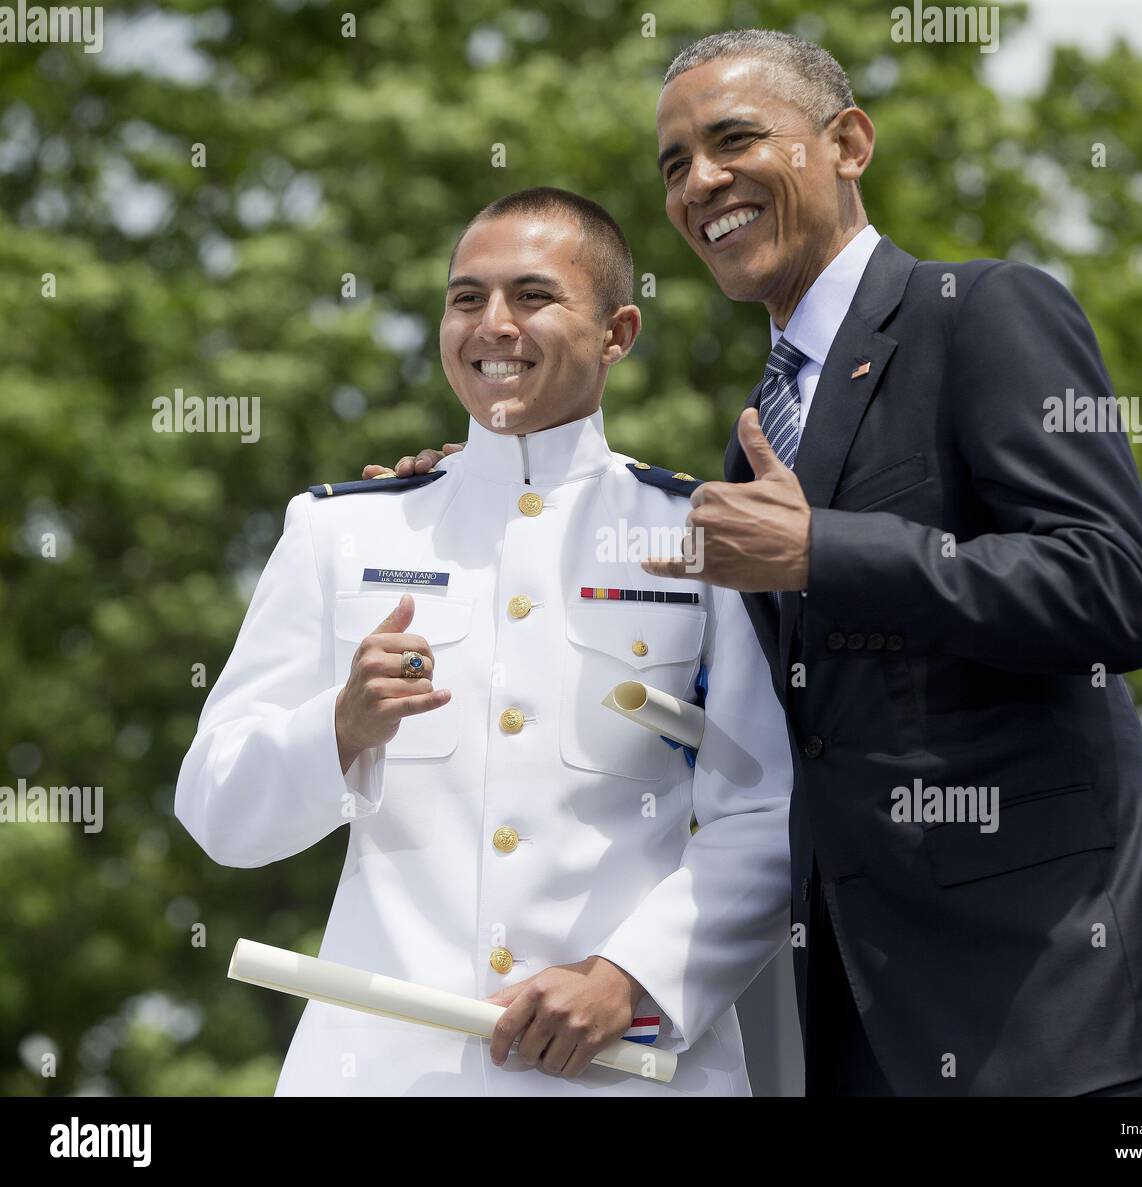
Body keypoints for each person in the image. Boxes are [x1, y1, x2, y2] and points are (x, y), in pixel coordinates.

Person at [372, 31, 1142, 1096]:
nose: (700, 181)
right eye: (673, 164)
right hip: (861, 1027)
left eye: (734, 139)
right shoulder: (749, 444)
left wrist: (824, 549)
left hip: (1063, 999)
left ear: (847, 143)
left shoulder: (982, 312)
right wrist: (472, 491)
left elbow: (1112, 586)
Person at [174, 187, 793, 1097]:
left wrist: (633, 980)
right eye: (467, 299)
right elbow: (217, 811)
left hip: (631, 1074)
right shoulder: (340, 533)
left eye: (533, 297)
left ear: (617, 332)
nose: (492, 324)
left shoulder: (698, 540)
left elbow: (766, 808)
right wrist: (338, 726)